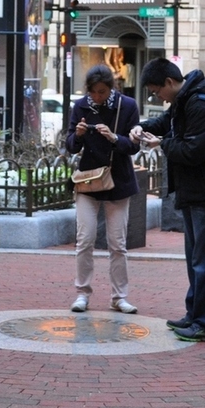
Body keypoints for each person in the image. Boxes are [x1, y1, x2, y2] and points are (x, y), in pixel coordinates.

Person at [130, 59, 205, 342]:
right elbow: (166, 123)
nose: (157, 97)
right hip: (194, 191)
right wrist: (142, 127)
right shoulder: (184, 100)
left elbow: (194, 150)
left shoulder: (202, 104)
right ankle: (196, 315)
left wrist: (161, 143)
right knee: (196, 258)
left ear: (168, 82)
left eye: (156, 91)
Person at [65, 64, 142, 315]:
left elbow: (133, 146)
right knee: (84, 240)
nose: (97, 96)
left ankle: (119, 297)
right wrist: (77, 136)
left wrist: (113, 138)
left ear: (111, 87)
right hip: (88, 180)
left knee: (117, 243)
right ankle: (82, 293)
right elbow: (70, 146)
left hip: (118, 180)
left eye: (102, 91)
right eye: (93, 92)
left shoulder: (127, 106)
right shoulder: (81, 106)